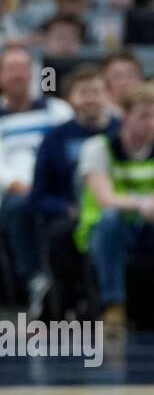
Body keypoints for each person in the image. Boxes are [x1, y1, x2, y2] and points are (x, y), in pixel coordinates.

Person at [74, 83, 154, 336]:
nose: (153, 123)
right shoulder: (98, 147)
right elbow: (106, 199)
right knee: (111, 219)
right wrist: (141, 204)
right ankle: (114, 306)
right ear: (125, 117)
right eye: (144, 116)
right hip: (108, 228)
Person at [29, 66, 117, 316]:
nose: (91, 98)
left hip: (113, 211)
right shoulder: (55, 138)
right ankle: (63, 302)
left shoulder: (120, 132)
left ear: (108, 95)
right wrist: (66, 208)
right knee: (60, 233)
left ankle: (109, 305)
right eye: (83, 92)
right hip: (70, 214)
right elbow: (38, 196)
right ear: (70, 99)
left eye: (97, 92)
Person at [0, 45, 72, 306]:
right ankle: (34, 279)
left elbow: (71, 149)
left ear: (33, 74)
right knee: (21, 205)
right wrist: (15, 184)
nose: (18, 75)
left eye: (23, 69)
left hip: (56, 188)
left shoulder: (57, 110)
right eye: (11, 69)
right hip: (15, 191)